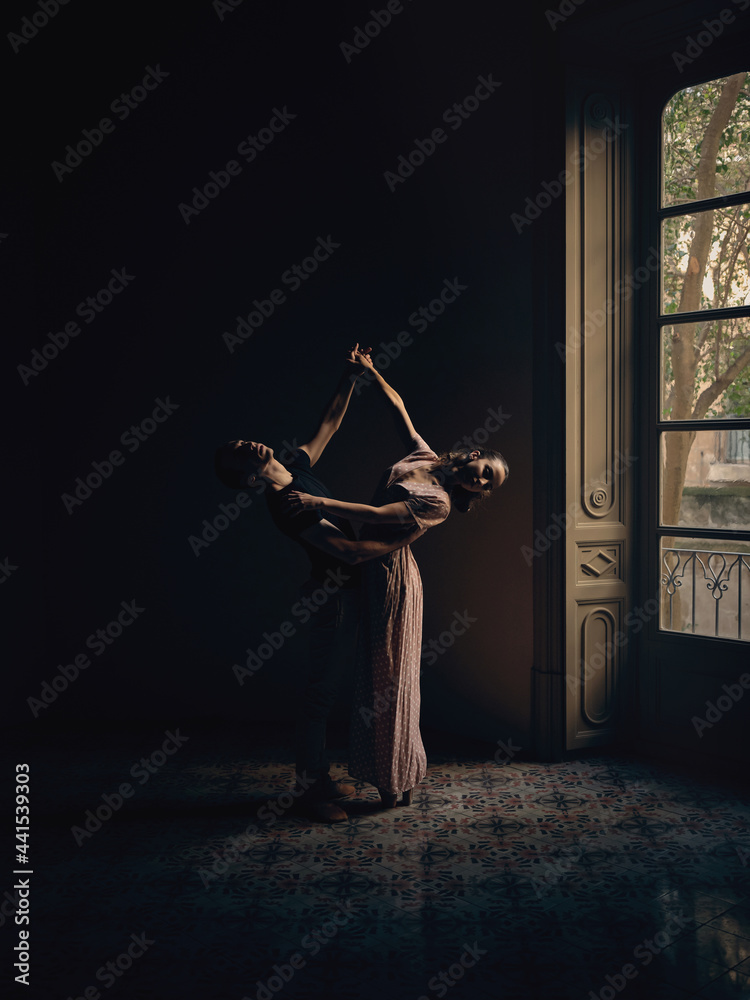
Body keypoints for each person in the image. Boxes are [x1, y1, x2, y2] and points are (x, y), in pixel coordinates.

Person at [285, 349, 509, 808]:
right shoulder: (424, 456)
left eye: (489, 486)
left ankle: (396, 779)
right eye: (486, 473)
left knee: (390, 682)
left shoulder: (441, 503)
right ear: (472, 455)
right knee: (375, 679)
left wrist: (317, 504)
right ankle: (390, 777)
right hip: (373, 571)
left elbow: (376, 514)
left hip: (392, 582)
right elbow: (400, 411)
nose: (483, 484)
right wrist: (370, 373)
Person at [214, 348, 424, 822]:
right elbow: (348, 553)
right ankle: (311, 789)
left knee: (342, 688)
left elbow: (328, 423)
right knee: (321, 693)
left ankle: (324, 779)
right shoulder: (287, 503)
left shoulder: (294, 468)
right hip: (336, 598)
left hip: (352, 593)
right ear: (248, 480)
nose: (247, 444)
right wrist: (408, 536)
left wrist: (351, 376)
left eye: (242, 441)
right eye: (239, 453)